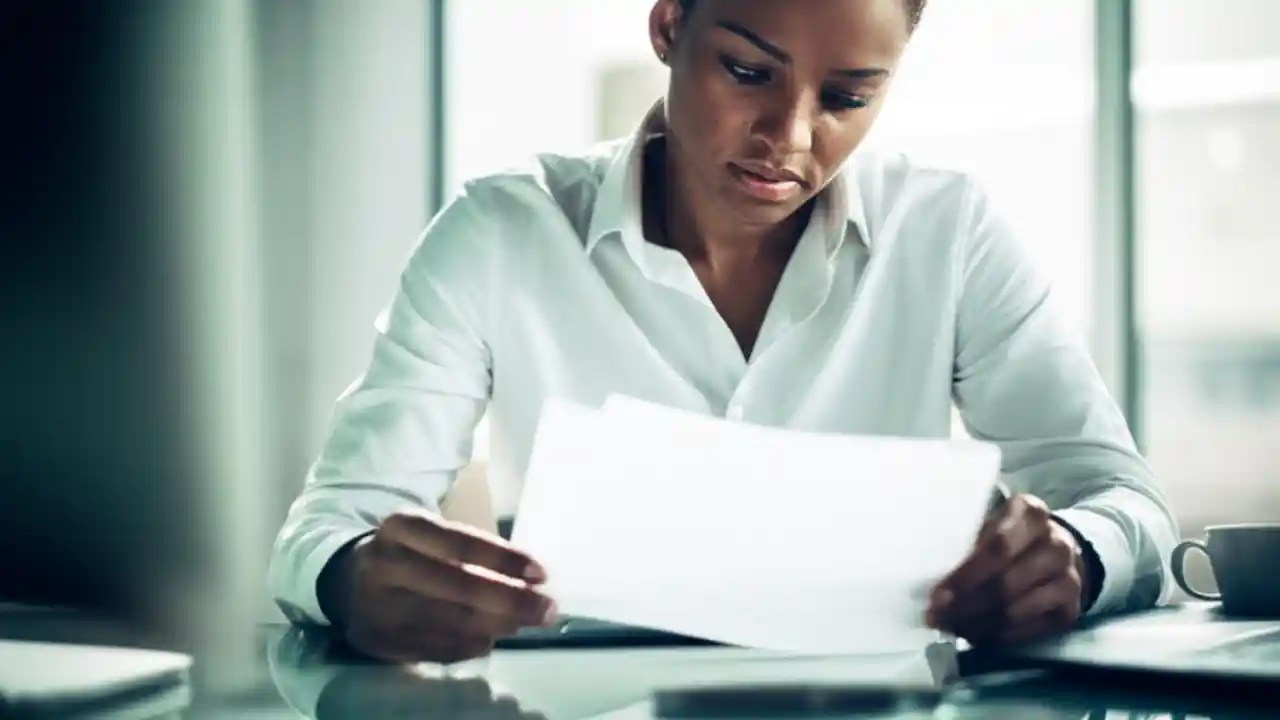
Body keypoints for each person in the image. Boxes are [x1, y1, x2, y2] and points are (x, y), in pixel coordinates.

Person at [268, 0, 1178, 664]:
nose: (788, 137)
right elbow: (327, 526)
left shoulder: (949, 231)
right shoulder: (501, 232)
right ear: (669, 27)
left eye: (848, 98)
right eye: (748, 72)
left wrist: (1076, 557)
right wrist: (354, 581)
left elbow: (1125, 501)